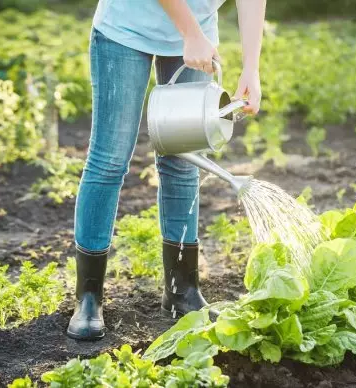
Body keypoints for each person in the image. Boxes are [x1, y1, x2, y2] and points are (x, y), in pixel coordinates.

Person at [67, 0, 266, 340]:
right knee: (110, 159)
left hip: (197, 35)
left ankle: (182, 291)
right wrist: (190, 33)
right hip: (126, 28)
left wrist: (251, 66)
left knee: (183, 157)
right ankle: (89, 297)